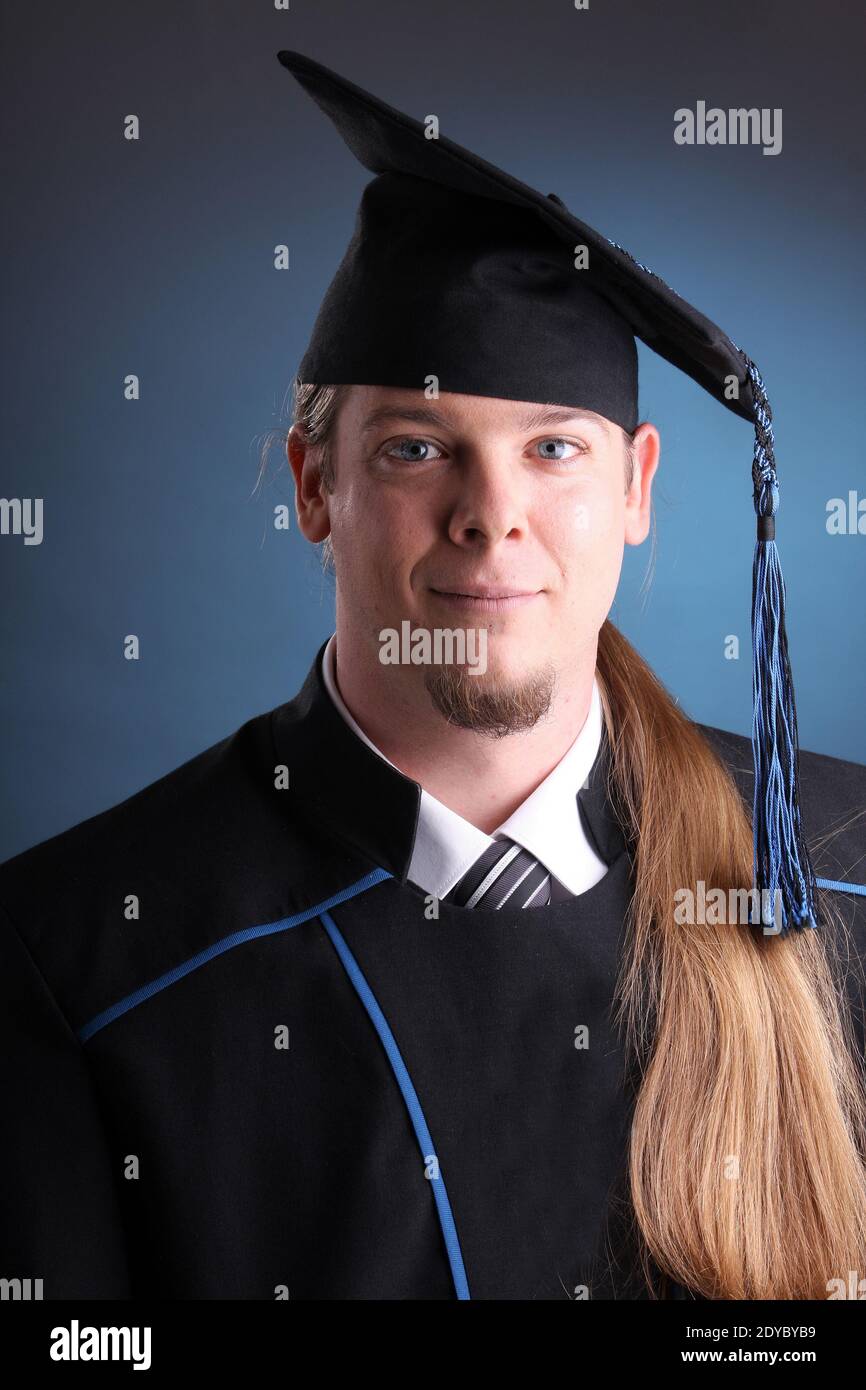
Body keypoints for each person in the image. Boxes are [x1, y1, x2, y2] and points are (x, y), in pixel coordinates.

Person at [1, 49, 865, 1302]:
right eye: (416, 447)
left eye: (553, 448)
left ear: (634, 490)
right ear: (314, 486)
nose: (490, 516)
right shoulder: (85, 967)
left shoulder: (835, 877)